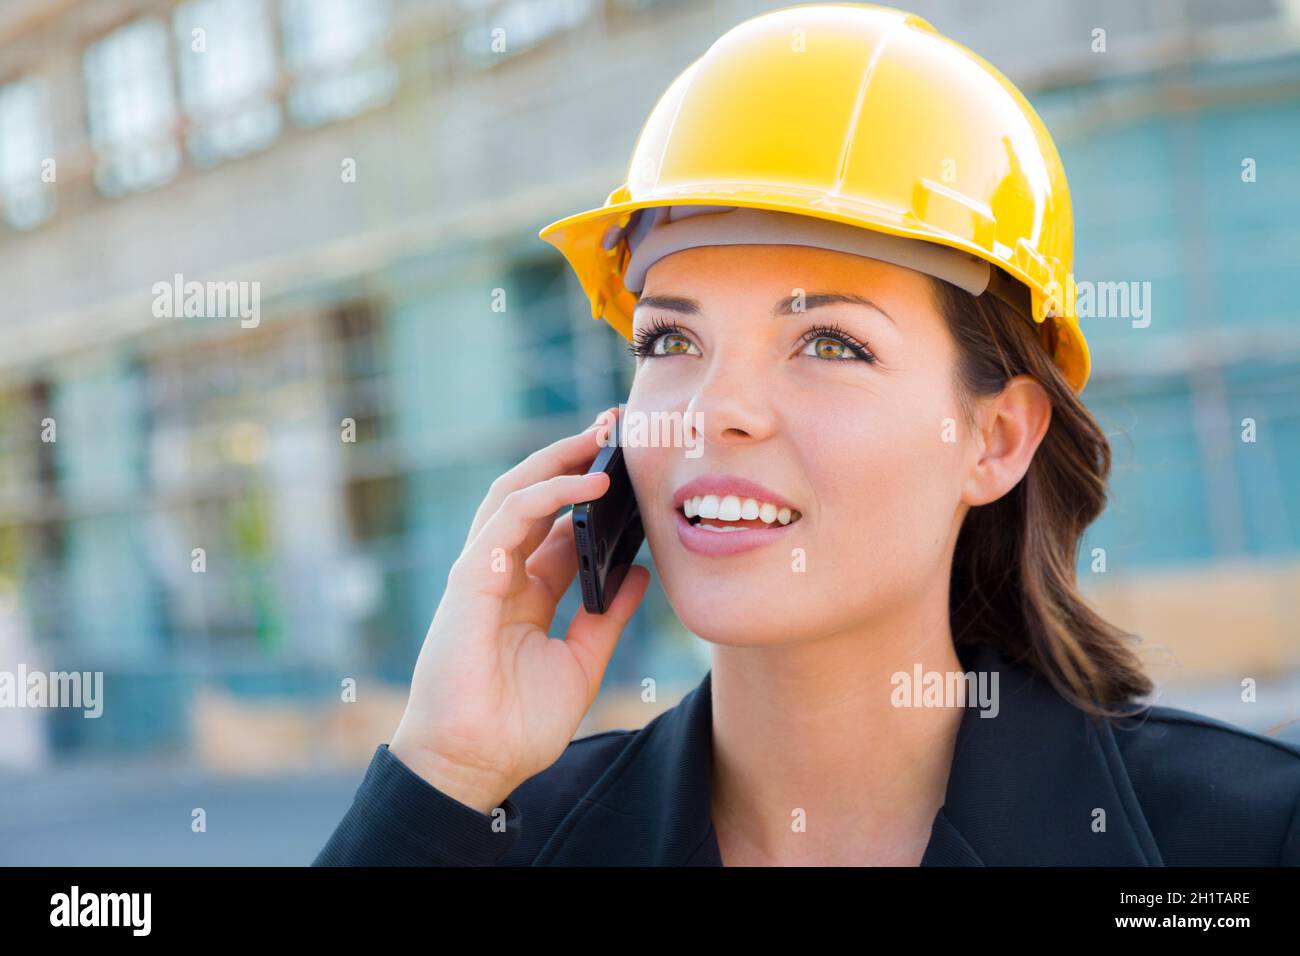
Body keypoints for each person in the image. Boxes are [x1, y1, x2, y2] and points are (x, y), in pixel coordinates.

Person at [312, 3, 1300, 866]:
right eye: (671, 336)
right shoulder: (490, 837)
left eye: (828, 341)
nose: (716, 407)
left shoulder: (1241, 838)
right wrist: (441, 770)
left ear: (995, 439)